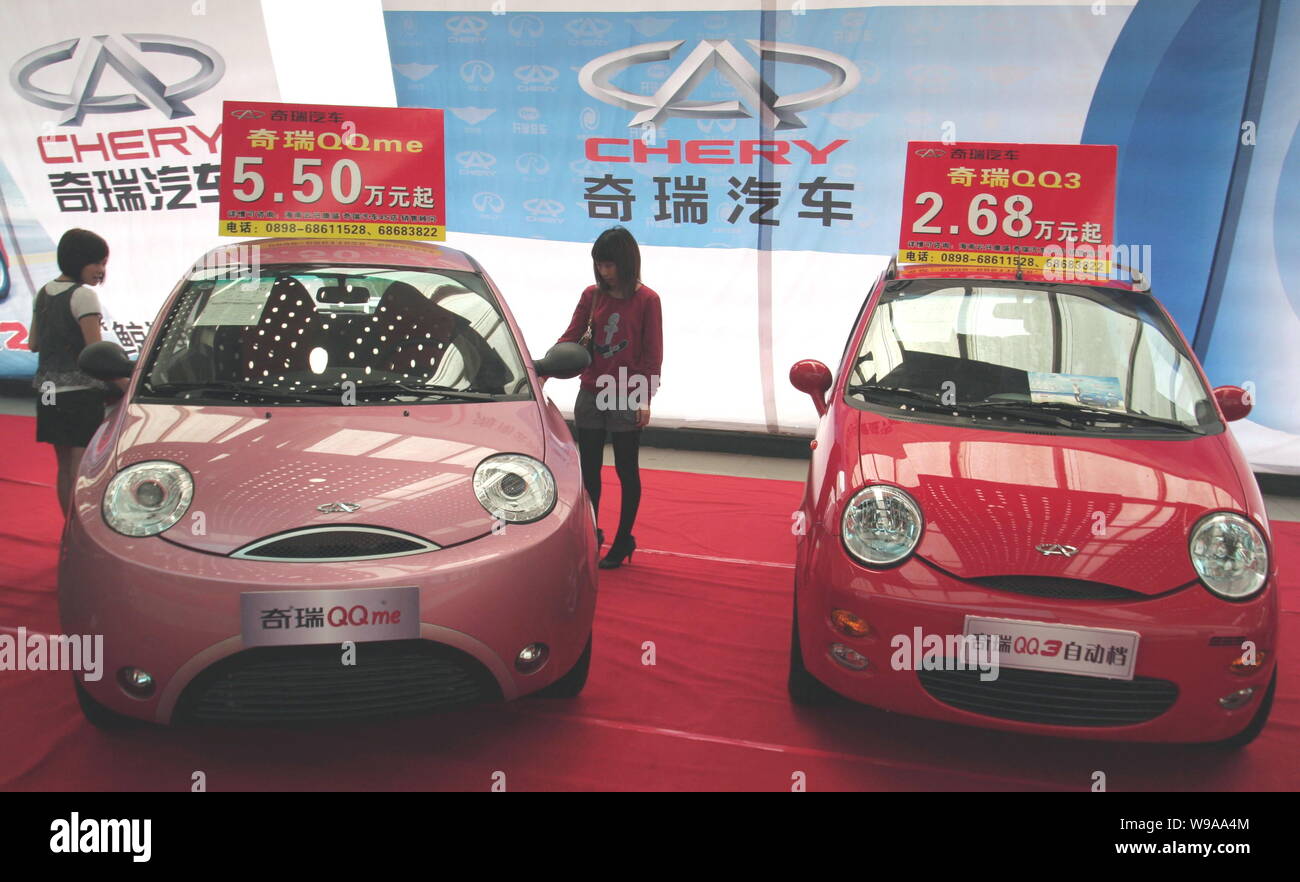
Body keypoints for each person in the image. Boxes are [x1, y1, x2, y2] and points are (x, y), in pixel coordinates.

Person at [557, 227, 663, 568]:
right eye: (600, 265)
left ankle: (623, 539)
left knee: (626, 469)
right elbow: (571, 337)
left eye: (610, 265)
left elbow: (652, 354)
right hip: (591, 389)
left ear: (626, 263)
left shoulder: (647, 300)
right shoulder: (592, 295)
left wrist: (645, 398)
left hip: (626, 391)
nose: (604, 272)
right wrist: (542, 366)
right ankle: (591, 532)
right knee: (588, 470)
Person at [29, 229, 124, 518]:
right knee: (80, 465)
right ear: (77, 260)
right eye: (96, 262)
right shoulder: (84, 296)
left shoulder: (43, 293)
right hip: (79, 394)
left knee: (63, 466)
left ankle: (67, 526)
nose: (101, 270)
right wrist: (126, 383)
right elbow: (95, 355)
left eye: (104, 262)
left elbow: (33, 344)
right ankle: (77, 529)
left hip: (46, 392)